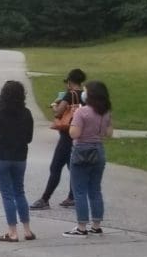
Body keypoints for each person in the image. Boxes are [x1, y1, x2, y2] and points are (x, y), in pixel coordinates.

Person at [0, 80, 36, 242]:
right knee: (19, 191)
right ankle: (27, 230)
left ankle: (12, 232)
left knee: (7, 194)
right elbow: (29, 138)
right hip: (19, 157)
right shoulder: (26, 113)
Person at [64, 80, 114, 237]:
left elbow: (74, 133)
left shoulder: (82, 112)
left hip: (81, 150)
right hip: (98, 150)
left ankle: (81, 227)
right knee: (95, 189)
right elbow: (109, 133)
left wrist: (73, 121)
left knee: (79, 190)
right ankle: (96, 225)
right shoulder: (105, 112)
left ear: (90, 94)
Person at [32, 68, 86, 210]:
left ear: (69, 82)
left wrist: (55, 105)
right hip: (78, 135)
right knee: (72, 167)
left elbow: (58, 113)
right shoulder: (86, 96)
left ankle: (45, 199)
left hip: (66, 136)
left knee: (55, 167)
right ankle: (72, 197)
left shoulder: (69, 95)